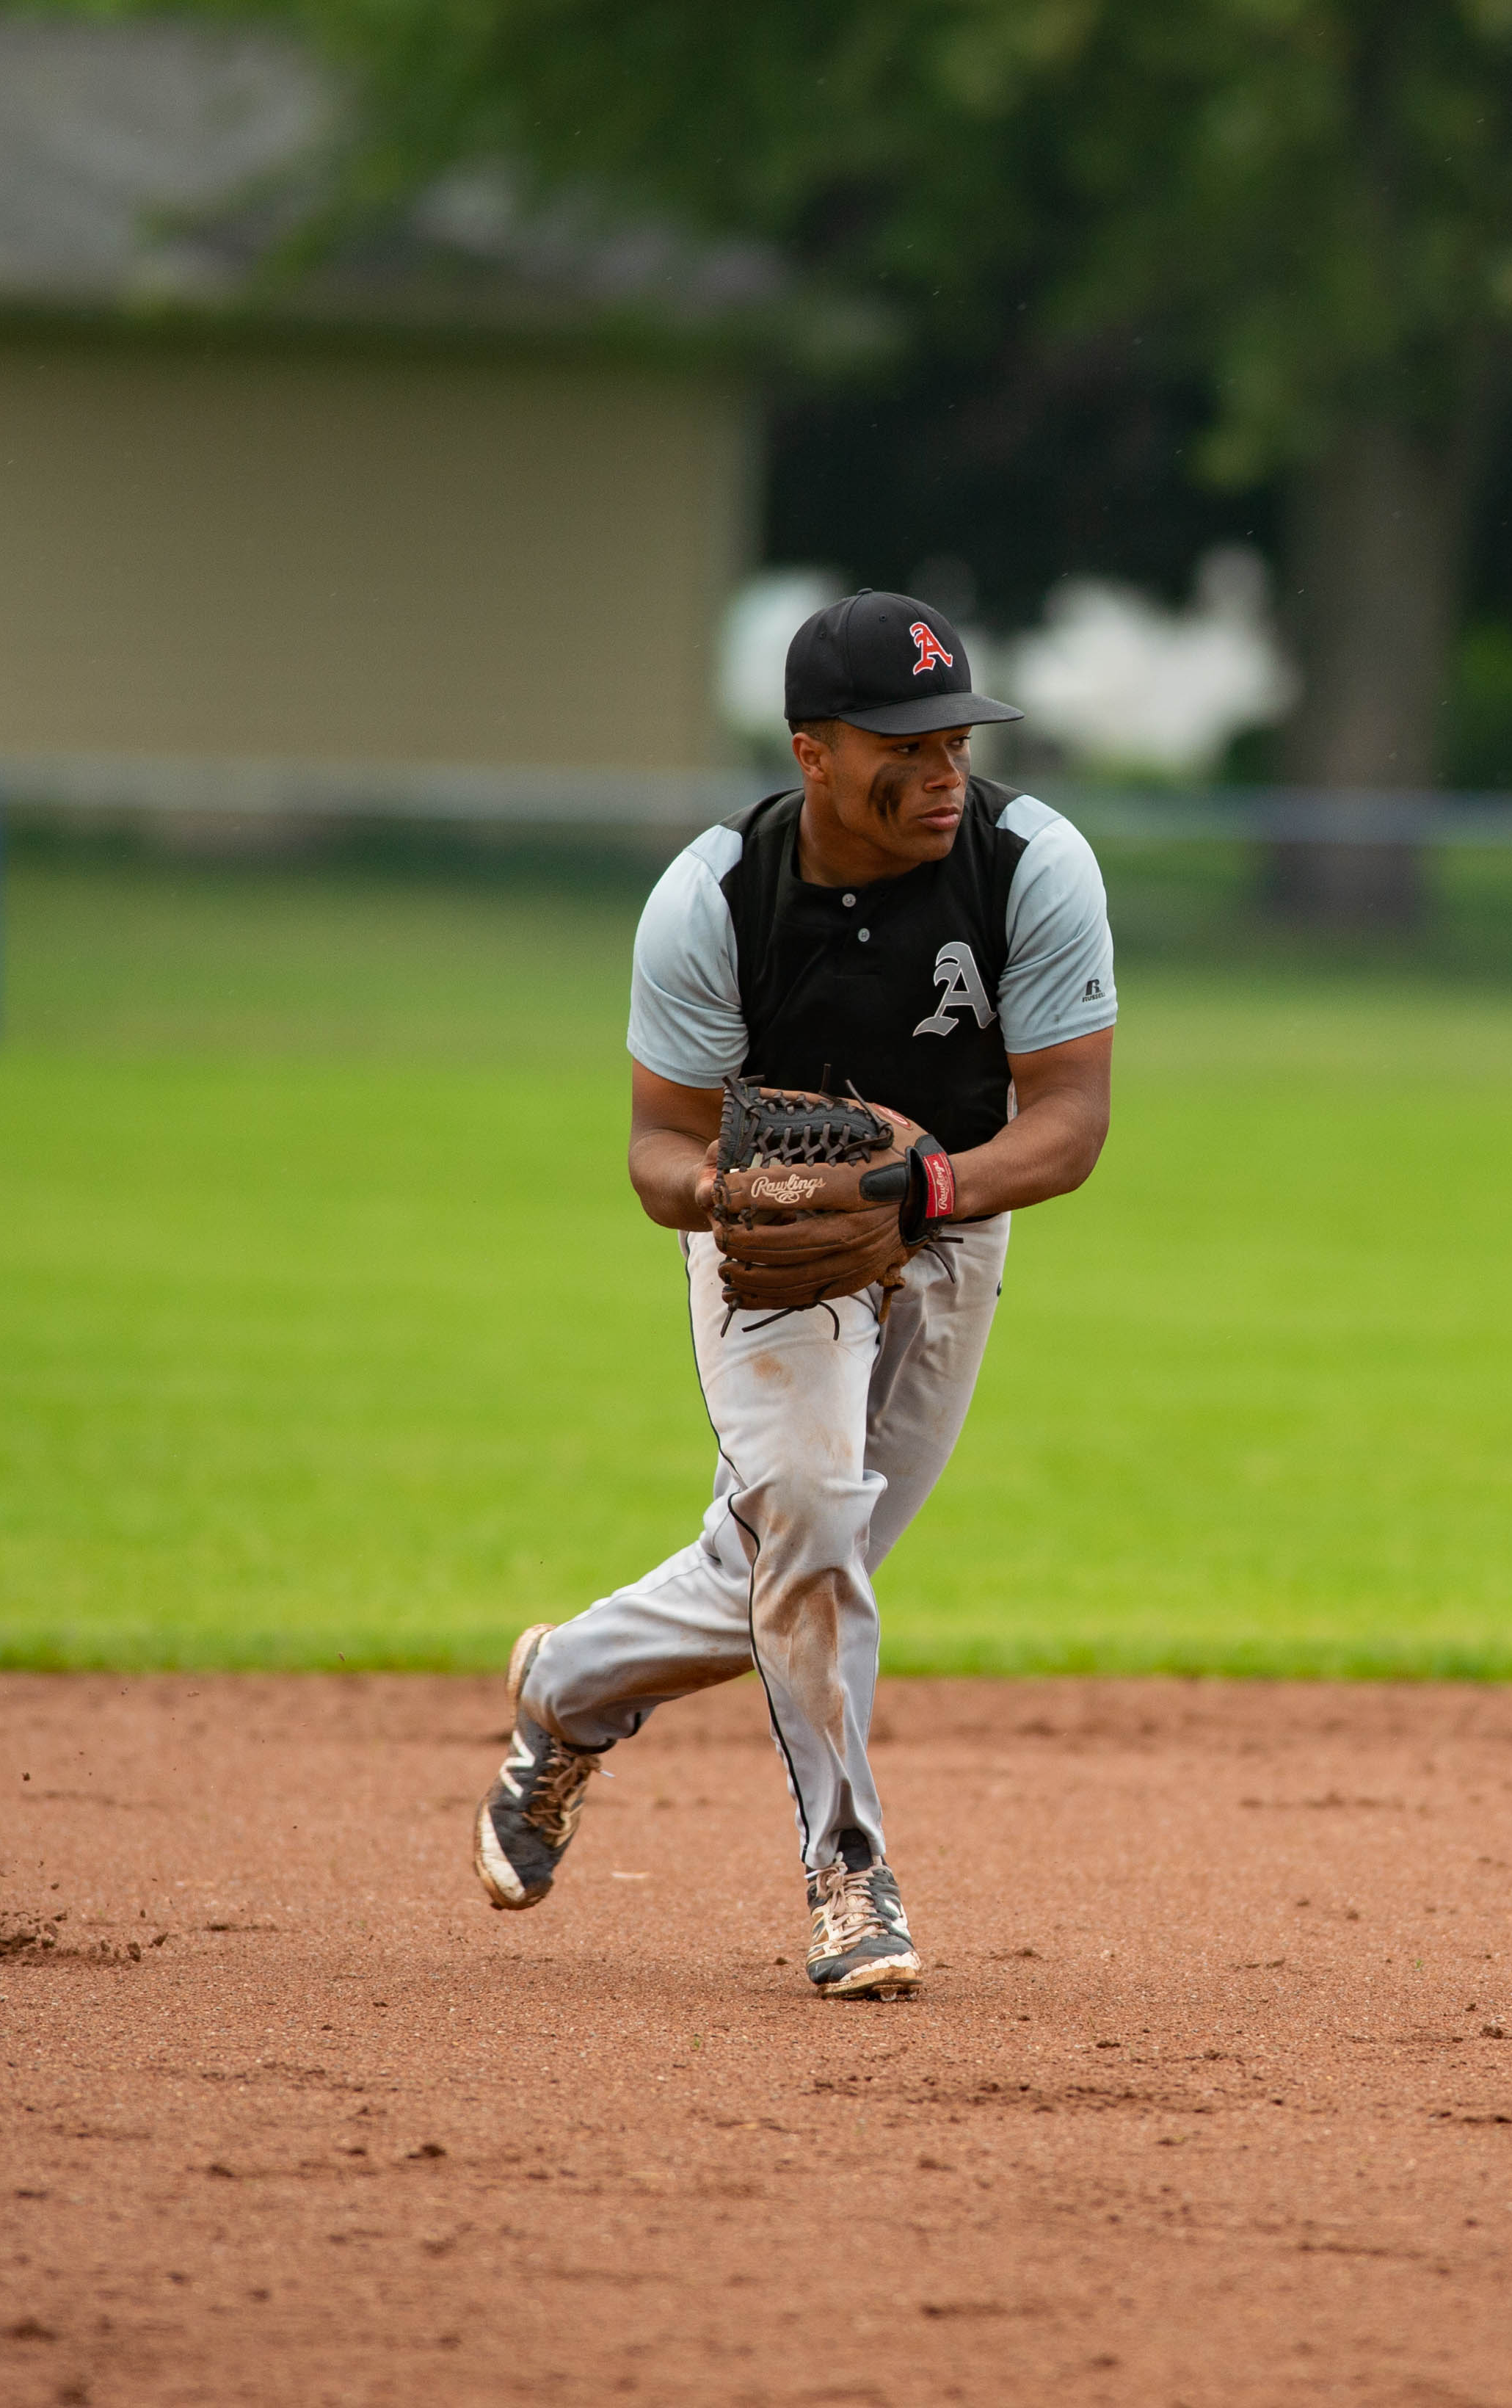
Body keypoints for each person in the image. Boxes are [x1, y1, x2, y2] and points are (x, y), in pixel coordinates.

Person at [470, 591, 1118, 1999]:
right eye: (904, 742)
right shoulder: (714, 896)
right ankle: (849, 1871)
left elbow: (1068, 1124)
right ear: (811, 749)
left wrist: (923, 1195)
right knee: (813, 1518)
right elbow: (656, 1148)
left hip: (953, 1222)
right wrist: (730, 1201)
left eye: (957, 737)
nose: (944, 770)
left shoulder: (1031, 866)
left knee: (806, 1556)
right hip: (772, 1240)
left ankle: (567, 1687)